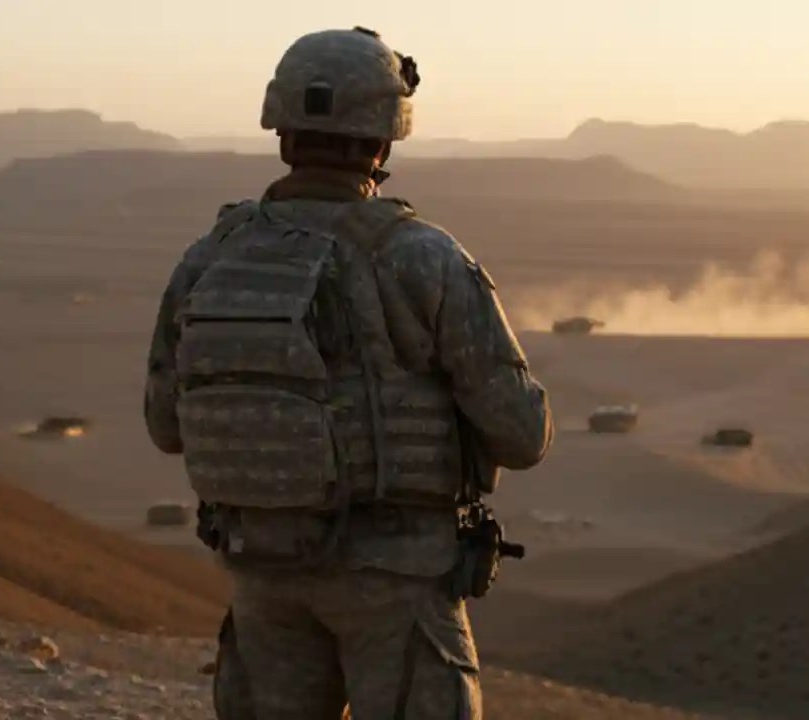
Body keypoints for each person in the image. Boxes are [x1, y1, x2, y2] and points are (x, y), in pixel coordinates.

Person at [143, 26, 552, 720]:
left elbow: (165, 424)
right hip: (393, 578)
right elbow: (521, 433)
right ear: (384, 137)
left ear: (283, 127)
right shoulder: (421, 256)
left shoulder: (213, 254)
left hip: (263, 570)